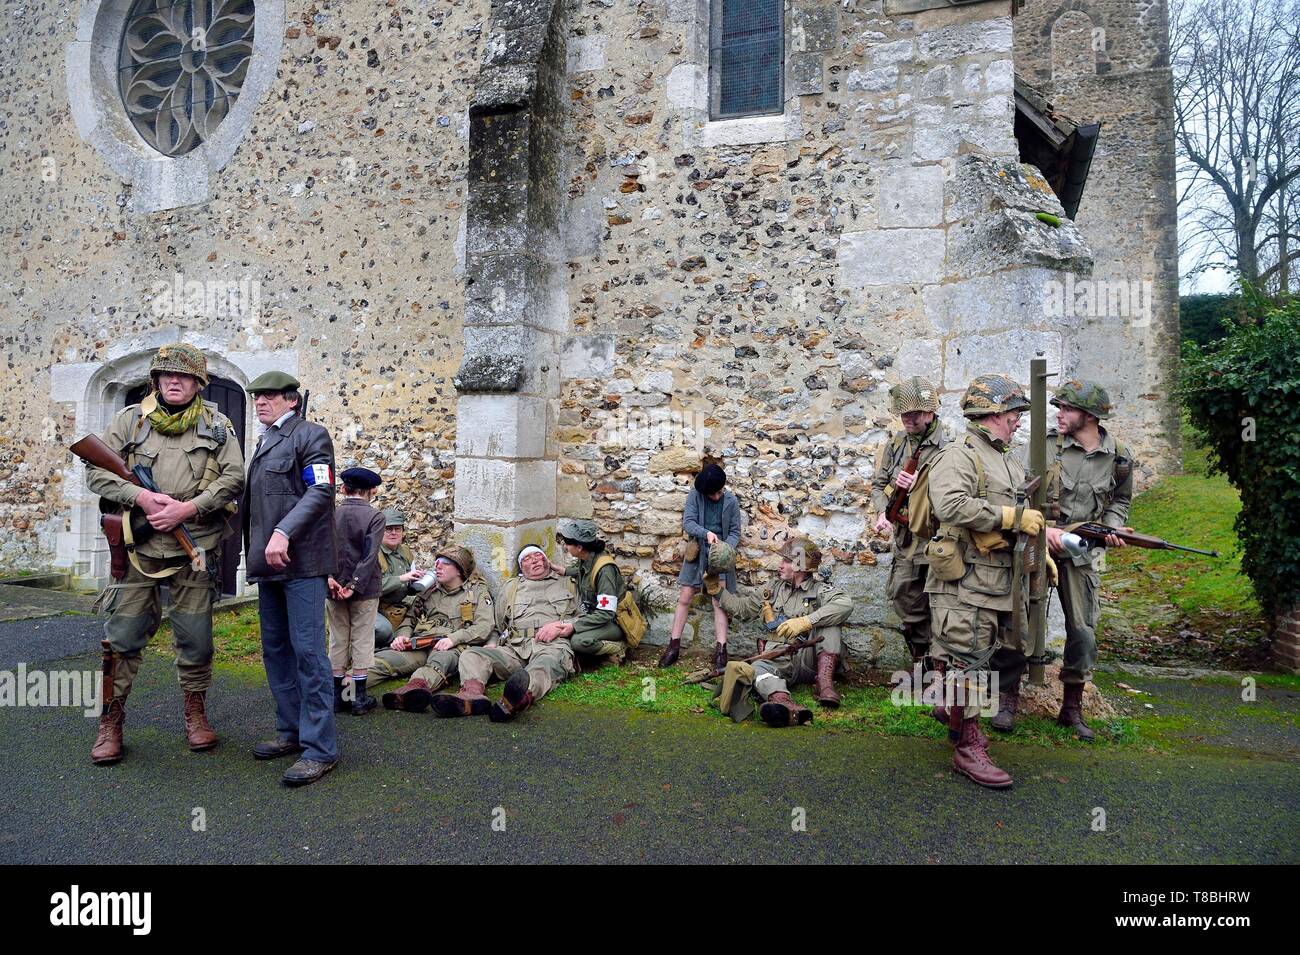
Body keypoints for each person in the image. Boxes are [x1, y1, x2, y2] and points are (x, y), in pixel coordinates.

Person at [84, 343, 244, 764]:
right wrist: (141, 497)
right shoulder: (128, 421)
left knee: (196, 640)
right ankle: (110, 722)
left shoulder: (218, 424)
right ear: (155, 380)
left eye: (185, 376)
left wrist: (188, 508)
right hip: (140, 551)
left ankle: (195, 714)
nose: (175, 381)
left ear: (198, 383)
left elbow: (233, 478)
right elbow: (97, 472)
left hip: (195, 550)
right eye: (167, 375)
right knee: (121, 640)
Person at [923, 374, 1055, 789]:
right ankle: (968, 747)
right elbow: (950, 504)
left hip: (998, 578)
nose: (1018, 421)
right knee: (970, 662)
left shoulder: (1006, 458)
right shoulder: (959, 456)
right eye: (1014, 413)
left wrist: (1042, 551)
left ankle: (954, 715)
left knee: (983, 656)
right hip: (965, 579)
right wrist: (1010, 518)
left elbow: (1024, 509)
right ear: (993, 413)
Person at [243, 370, 340, 787]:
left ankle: (320, 749)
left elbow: (321, 492)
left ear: (292, 401)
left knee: (308, 653)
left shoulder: (311, 436)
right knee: (276, 650)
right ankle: (292, 731)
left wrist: (283, 532)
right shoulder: (266, 441)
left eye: (269, 396)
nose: (260, 403)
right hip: (270, 566)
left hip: (302, 564)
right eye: (256, 397)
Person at [1040, 379, 1136, 740]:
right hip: (1038, 542)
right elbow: (1017, 490)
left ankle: (1071, 708)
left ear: (1090, 416)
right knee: (1017, 623)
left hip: (1081, 551)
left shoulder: (1120, 457)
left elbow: (1120, 501)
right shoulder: (1045, 446)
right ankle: (1006, 701)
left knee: (1083, 630)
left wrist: (1111, 528)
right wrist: (1041, 529)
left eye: (1067, 408)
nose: (1059, 414)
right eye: (1059, 407)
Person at [431, 544, 580, 720]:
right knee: (472, 654)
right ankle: (471, 694)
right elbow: (498, 624)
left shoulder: (568, 584)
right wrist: (493, 642)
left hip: (551, 645)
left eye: (538, 556)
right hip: (514, 647)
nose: (534, 560)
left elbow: (585, 617)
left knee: (543, 666)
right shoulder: (511, 587)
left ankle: (516, 700)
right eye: (527, 558)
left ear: (546, 559)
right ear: (520, 566)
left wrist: (563, 625)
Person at [716, 537, 853, 726]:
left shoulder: (820, 590)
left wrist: (806, 621)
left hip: (809, 658)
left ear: (801, 566)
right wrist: (717, 590)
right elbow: (743, 608)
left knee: (830, 624)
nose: (780, 565)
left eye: (786, 561)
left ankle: (824, 684)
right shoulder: (771, 589)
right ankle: (783, 703)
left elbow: (845, 604)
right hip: (778, 658)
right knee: (756, 669)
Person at [871, 376, 946, 672]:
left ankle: (942, 672)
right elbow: (878, 486)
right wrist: (882, 513)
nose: (908, 420)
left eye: (914, 414)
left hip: (939, 540)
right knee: (905, 600)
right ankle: (923, 666)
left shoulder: (949, 446)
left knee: (941, 606)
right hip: (906, 541)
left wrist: (920, 484)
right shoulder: (895, 444)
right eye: (904, 415)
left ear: (930, 413)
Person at [365, 546, 494, 712]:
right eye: (437, 562)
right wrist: (402, 636)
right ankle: (344, 686)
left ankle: (411, 693)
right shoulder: (428, 592)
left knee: (437, 664)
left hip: (451, 646)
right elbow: (410, 619)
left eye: (445, 563)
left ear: (459, 570)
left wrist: (453, 639)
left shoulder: (477, 593)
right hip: (419, 643)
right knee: (382, 661)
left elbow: (484, 626)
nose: (437, 567)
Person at [658, 463, 744, 670]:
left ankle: (721, 650)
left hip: (721, 557)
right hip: (697, 552)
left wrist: (724, 550)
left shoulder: (731, 502)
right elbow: (688, 523)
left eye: (718, 493)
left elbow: (735, 532)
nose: (715, 497)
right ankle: (674, 646)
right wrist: (706, 533)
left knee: (719, 602)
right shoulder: (695, 496)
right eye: (711, 494)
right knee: (685, 597)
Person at [327, 467, 386, 716]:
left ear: (343, 489)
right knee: (362, 639)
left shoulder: (331, 514)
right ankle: (358, 699)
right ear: (371, 491)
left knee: (338, 638)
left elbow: (322, 550)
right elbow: (370, 555)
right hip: (365, 588)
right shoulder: (375, 517)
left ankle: (339, 698)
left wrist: (330, 579)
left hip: (333, 586)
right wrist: (354, 585)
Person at [553, 518, 628, 665]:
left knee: (578, 641)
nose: (565, 547)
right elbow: (583, 570)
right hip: (595, 618)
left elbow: (606, 613)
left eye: (568, 543)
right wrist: (563, 570)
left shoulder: (605, 570)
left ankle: (618, 647)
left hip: (612, 622)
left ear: (579, 547)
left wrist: (574, 626)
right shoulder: (587, 557)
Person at [375, 508, 423, 650]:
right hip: (372, 608)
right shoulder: (373, 553)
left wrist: (419, 581)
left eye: (397, 528)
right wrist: (402, 578)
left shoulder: (405, 551)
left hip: (395, 606)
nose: (394, 533)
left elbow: (408, 588)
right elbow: (371, 588)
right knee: (383, 630)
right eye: (389, 529)